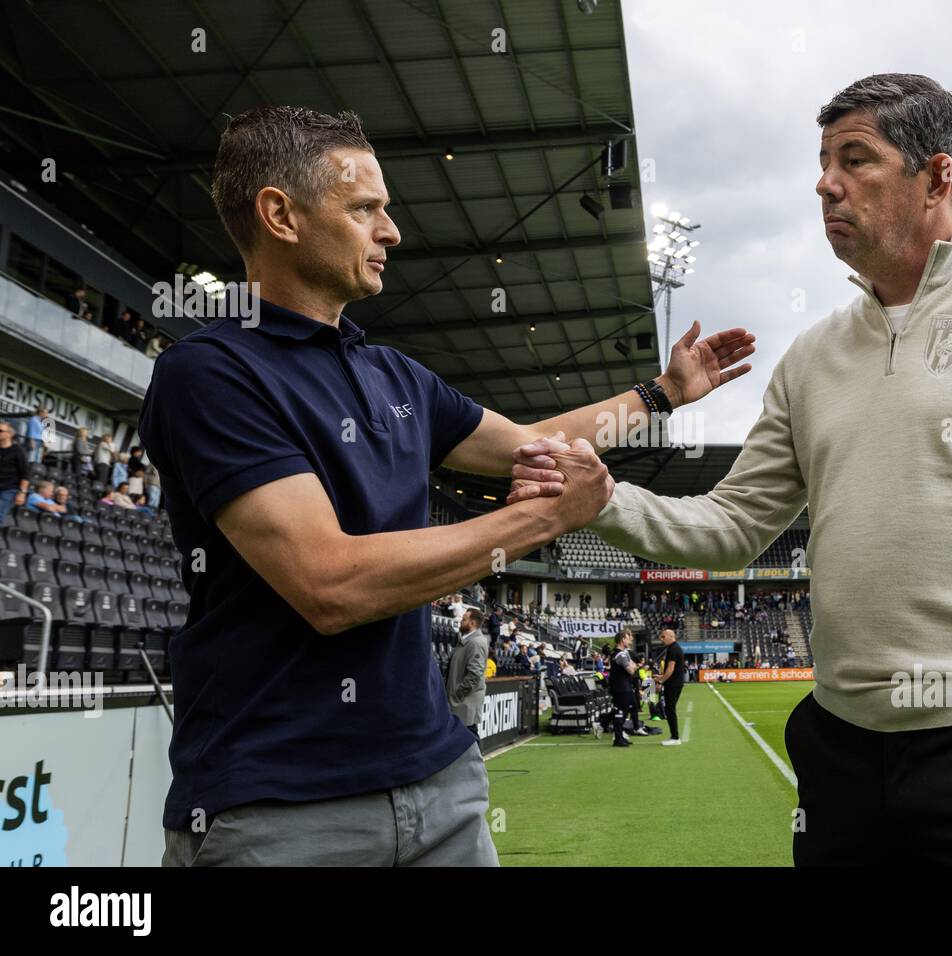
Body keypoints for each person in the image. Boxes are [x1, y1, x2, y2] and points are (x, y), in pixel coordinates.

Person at [508, 73, 952, 867]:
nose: (826, 184)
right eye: (823, 162)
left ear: (937, 176)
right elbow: (731, 528)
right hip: (841, 759)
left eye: (855, 160)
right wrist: (607, 499)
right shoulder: (811, 357)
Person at [137, 105, 752, 868]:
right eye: (365, 209)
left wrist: (659, 395)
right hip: (282, 805)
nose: (390, 231)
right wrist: (540, 522)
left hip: (439, 781)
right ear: (279, 215)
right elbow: (329, 585)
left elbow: (536, 445)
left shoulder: (395, 374)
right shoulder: (211, 374)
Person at [446, 608, 490, 739]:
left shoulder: (476, 642)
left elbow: (474, 674)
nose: (461, 621)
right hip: (460, 702)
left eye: (464, 619)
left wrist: (458, 694)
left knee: (469, 739)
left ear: (472, 623)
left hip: (465, 703)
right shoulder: (466, 641)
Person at [655, 628, 687, 746]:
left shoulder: (674, 649)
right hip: (674, 682)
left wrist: (661, 681)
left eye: (663, 636)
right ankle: (674, 736)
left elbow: (670, 669)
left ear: (670, 636)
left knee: (670, 709)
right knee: (669, 709)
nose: (661, 639)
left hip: (673, 683)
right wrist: (661, 677)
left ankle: (675, 737)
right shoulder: (673, 648)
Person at [608, 629, 638, 748]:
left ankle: (620, 736)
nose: (629, 640)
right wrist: (633, 666)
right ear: (622, 640)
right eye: (627, 638)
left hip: (625, 686)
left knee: (624, 711)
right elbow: (631, 669)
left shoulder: (624, 653)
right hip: (620, 687)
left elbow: (633, 666)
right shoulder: (620, 654)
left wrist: (633, 666)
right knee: (620, 712)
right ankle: (618, 738)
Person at [0, 421, 31, 525]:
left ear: (9, 434)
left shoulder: (18, 450)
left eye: (0, 431)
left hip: (8, 489)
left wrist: (22, 493)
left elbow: (25, 473)